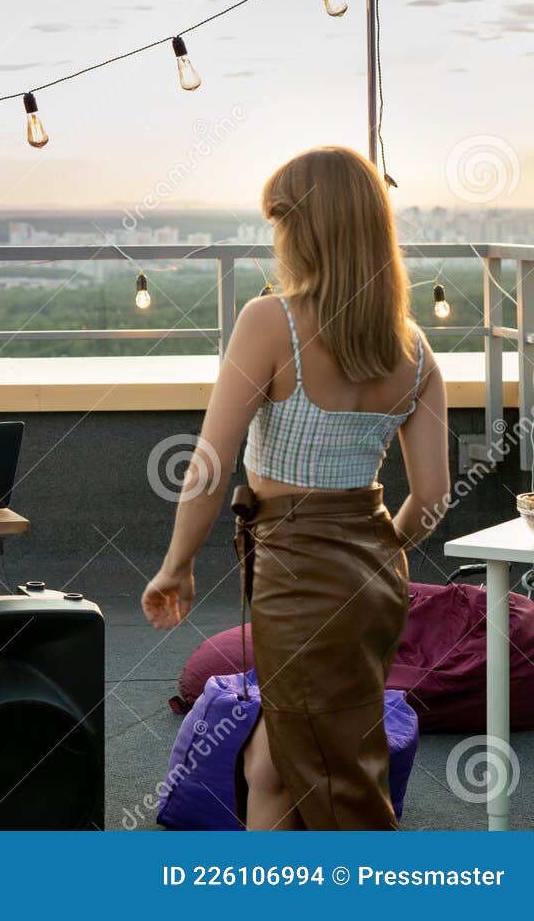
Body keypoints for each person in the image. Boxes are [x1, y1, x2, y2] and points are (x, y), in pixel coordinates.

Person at [141, 145, 451, 830]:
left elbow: (210, 466)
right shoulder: (417, 350)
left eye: (281, 221)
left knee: (335, 780)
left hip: (296, 574)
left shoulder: (269, 321)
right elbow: (431, 495)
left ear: (305, 229)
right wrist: (370, 554)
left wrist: (176, 564)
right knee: (274, 760)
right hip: (373, 572)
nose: (275, 238)